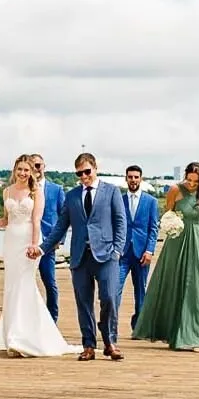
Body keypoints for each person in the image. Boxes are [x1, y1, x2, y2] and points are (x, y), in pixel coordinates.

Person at [30, 151, 127, 361]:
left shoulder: (111, 191)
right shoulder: (72, 195)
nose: (83, 177)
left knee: (109, 298)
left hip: (107, 254)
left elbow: (121, 222)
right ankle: (89, 345)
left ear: (95, 168)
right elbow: (60, 226)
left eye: (86, 172)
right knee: (83, 301)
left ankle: (110, 341)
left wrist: (117, 250)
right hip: (80, 256)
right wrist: (42, 247)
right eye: (79, 174)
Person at [0, 154, 81, 357]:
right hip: (11, 240)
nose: (22, 173)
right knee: (12, 286)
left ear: (32, 172)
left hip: (28, 240)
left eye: (26, 170)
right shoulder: (7, 191)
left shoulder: (36, 191)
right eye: (19, 169)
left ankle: (23, 336)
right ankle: (12, 334)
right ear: (15, 170)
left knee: (25, 284)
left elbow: (36, 220)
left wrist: (34, 244)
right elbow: (5, 220)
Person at [133, 161, 199, 351]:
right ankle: (172, 331)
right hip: (176, 241)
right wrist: (172, 224)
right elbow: (167, 214)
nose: (192, 184)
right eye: (189, 179)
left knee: (195, 286)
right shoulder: (174, 190)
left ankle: (195, 336)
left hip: (197, 241)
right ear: (185, 175)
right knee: (174, 283)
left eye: (196, 181)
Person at [119, 165, 159, 335]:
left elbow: (153, 228)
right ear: (126, 178)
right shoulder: (119, 199)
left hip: (142, 253)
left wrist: (149, 250)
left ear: (141, 179)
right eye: (130, 177)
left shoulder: (151, 202)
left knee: (141, 291)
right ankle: (111, 325)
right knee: (115, 288)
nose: (133, 180)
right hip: (122, 253)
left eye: (136, 177)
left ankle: (139, 326)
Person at [30, 153, 66, 320]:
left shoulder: (56, 189)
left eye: (38, 165)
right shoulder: (25, 189)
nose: (35, 169)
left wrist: (60, 239)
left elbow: (64, 216)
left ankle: (52, 319)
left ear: (44, 166)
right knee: (26, 283)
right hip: (26, 241)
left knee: (50, 283)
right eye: (32, 166)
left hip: (48, 243)